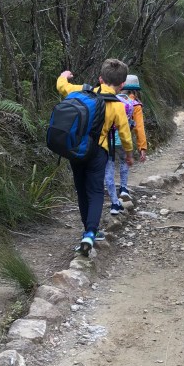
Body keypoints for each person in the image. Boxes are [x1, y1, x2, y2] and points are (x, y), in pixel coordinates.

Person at [57, 59, 133, 253]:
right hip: (98, 152)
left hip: (76, 150)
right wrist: (129, 155)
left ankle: (88, 230)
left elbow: (61, 86)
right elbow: (125, 135)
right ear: (122, 84)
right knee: (96, 192)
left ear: (100, 79)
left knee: (82, 191)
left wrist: (64, 75)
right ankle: (91, 233)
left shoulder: (83, 92)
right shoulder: (117, 106)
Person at [105, 73, 148, 214]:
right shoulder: (135, 104)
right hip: (124, 140)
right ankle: (123, 188)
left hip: (108, 140)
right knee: (124, 162)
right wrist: (142, 147)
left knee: (109, 167)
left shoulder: (110, 99)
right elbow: (139, 127)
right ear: (135, 89)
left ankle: (114, 202)